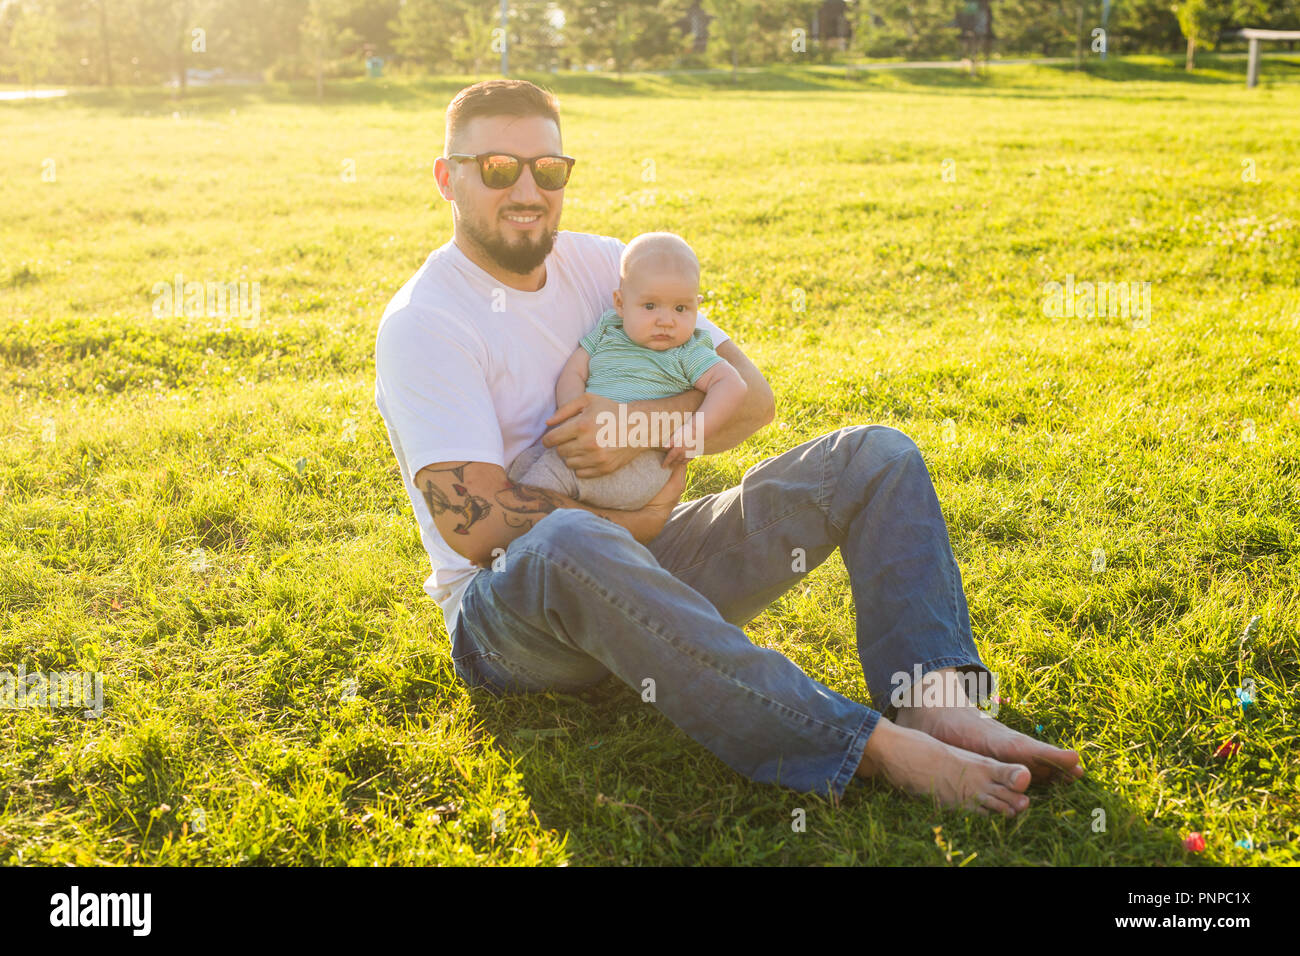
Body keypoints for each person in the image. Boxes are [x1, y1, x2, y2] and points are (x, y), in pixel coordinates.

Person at [373, 78, 1085, 815]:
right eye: (497, 168)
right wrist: (638, 526)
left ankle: (935, 700)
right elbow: (480, 528)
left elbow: (752, 397)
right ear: (445, 177)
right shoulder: (425, 321)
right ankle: (874, 748)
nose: (527, 189)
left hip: (641, 564)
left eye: (548, 169)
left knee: (876, 455)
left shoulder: (605, 268)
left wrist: (635, 428)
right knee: (567, 542)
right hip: (514, 624)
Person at [508, 231, 748, 510]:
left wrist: (693, 432)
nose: (666, 321)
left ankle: (515, 532)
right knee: (523, 465)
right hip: (593, 437)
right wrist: (575, 413)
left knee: (542, 483)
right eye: (650, 306)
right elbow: (574, 372)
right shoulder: (608, 329)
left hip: (641, 463)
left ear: (697, 305)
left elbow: (732, 384)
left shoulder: (688, 351)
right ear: (620, 304)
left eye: (681, 308)